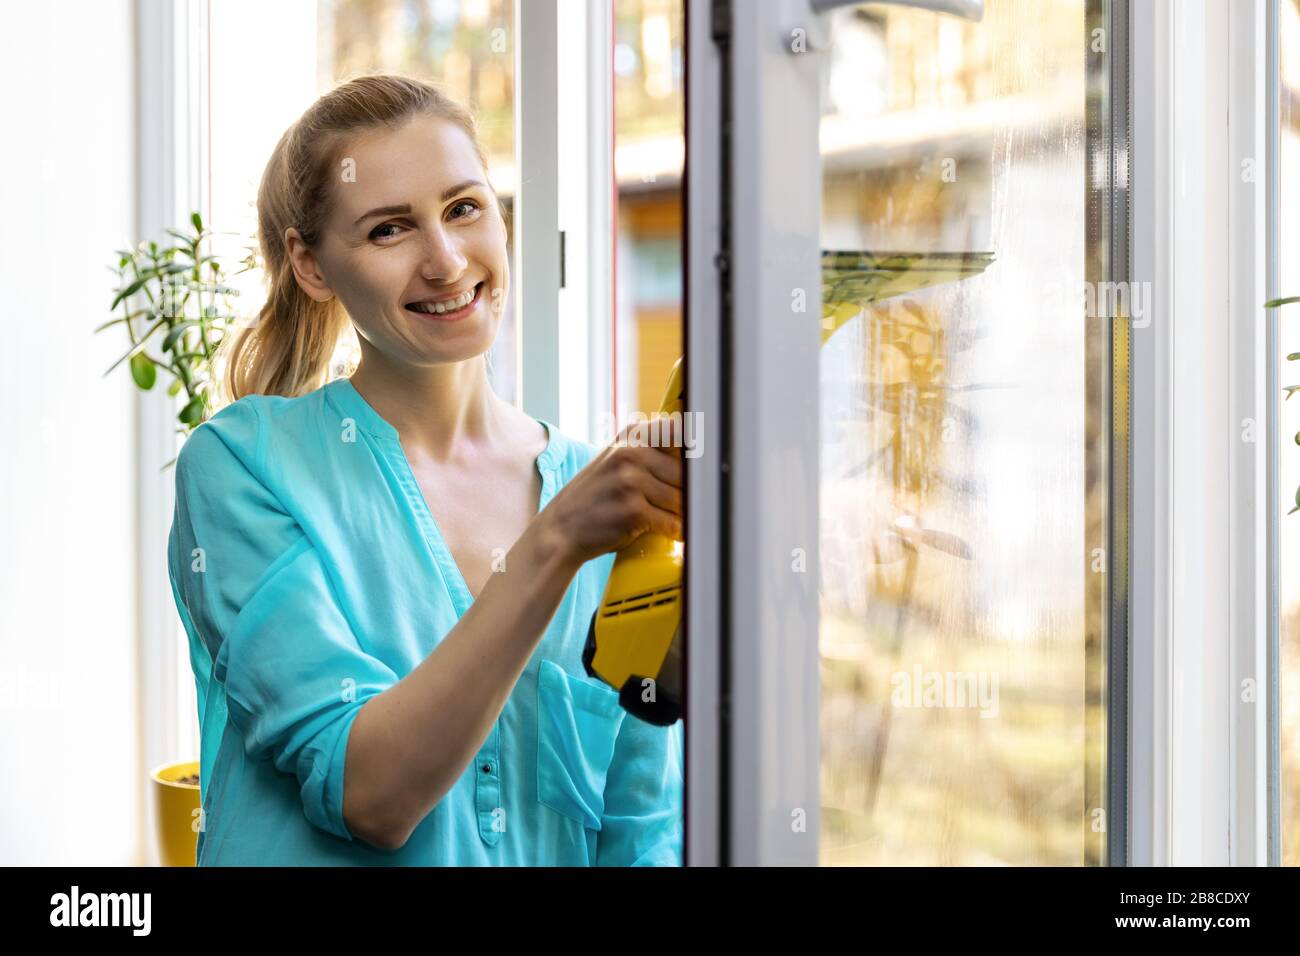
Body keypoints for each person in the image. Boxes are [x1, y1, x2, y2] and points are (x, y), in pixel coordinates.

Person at [167, 73, 684, 865]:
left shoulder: (616, 499)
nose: (445, 262)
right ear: (311, 266)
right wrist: (557, 543)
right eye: (388, 230)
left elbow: (640, 831)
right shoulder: (241, 467)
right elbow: (369, 793)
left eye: (464, 207)